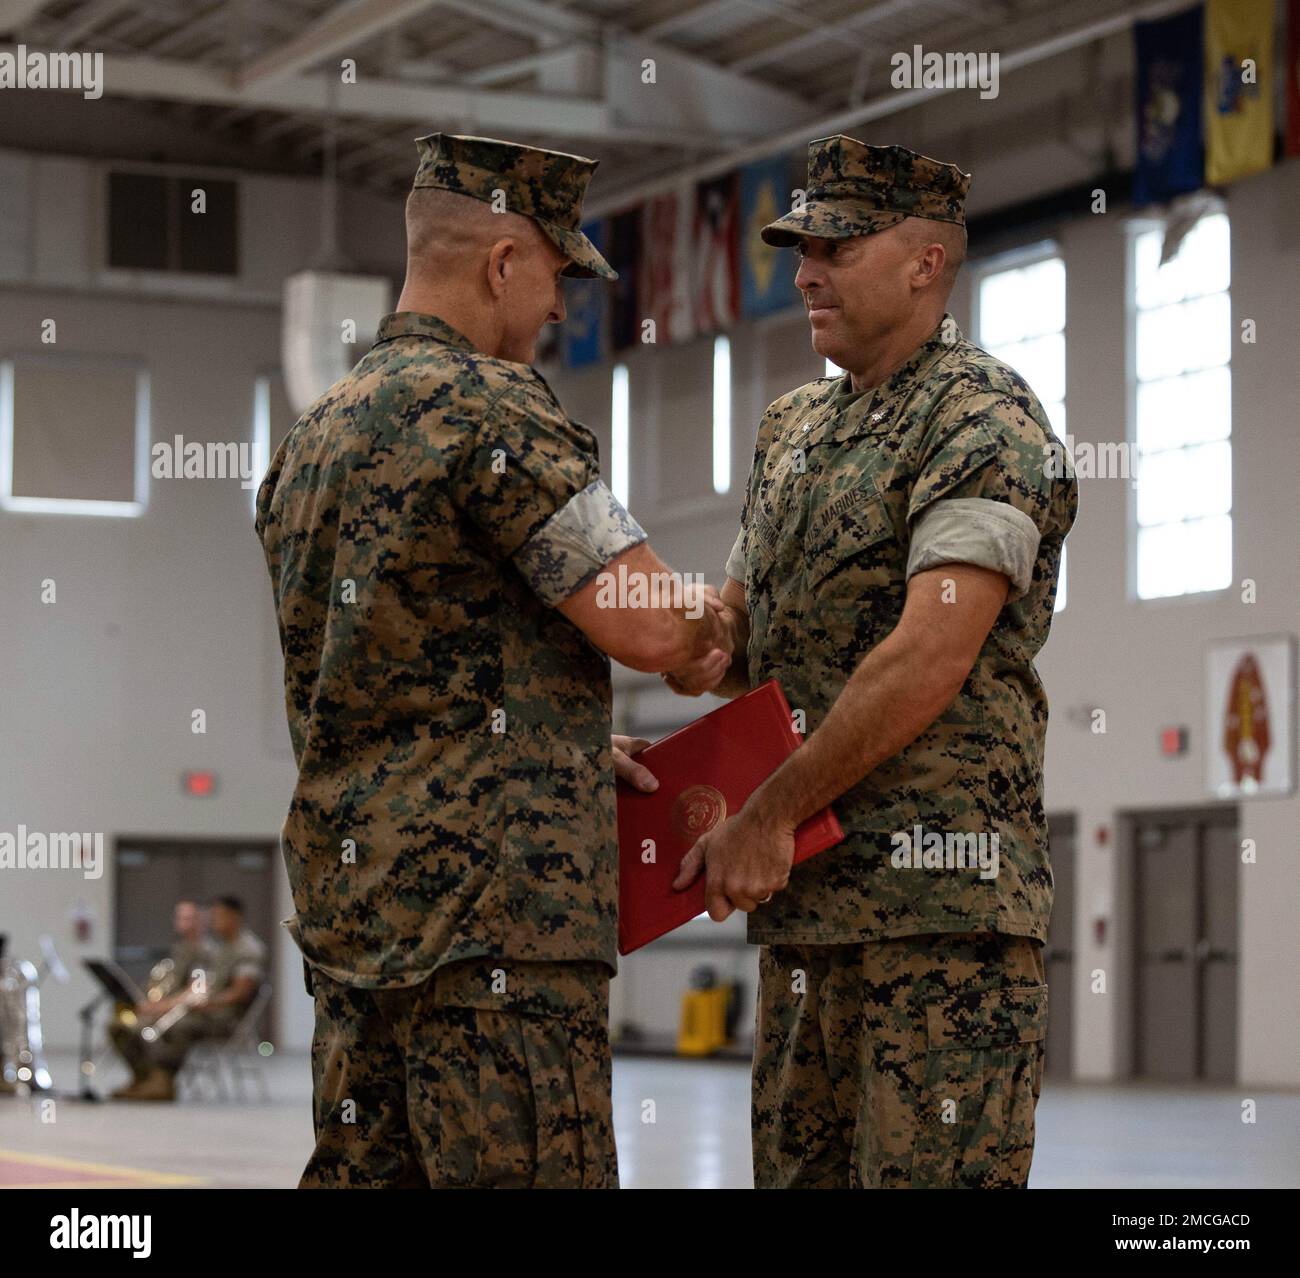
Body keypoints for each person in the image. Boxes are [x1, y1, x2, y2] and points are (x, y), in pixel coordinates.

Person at [255, 133, 727, 1188]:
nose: (560, 308)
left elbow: (393, 666)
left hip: (355, 919)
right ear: (503, 262)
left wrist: (549, 738)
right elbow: (649, 624)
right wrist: (718, 624)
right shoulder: (492, 411)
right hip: (493, 933)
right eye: (556, 275)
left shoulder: (311, 441)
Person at [665, 135, 1078, 1188]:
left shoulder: (982, 419)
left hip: (939, 920)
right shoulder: (792, 430)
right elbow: (741, 642)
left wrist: (766, 814)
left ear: (924, 264)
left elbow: (927, 656)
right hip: (806, 918)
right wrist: (673, 640)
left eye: (836, 245)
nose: (805, 271)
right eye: (800, 247)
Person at [111, 897, 265, 1102]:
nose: (214, 922)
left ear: (233, 917)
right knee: (142, 1024)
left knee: (178, 1026)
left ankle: (163, 1082)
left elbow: (240, 992)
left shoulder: (247, 948)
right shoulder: (222, 949)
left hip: (225, 1019)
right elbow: (204, 984)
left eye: (218, 916)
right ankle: (146, 1079)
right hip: (205, 1011)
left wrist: (207, 1003)